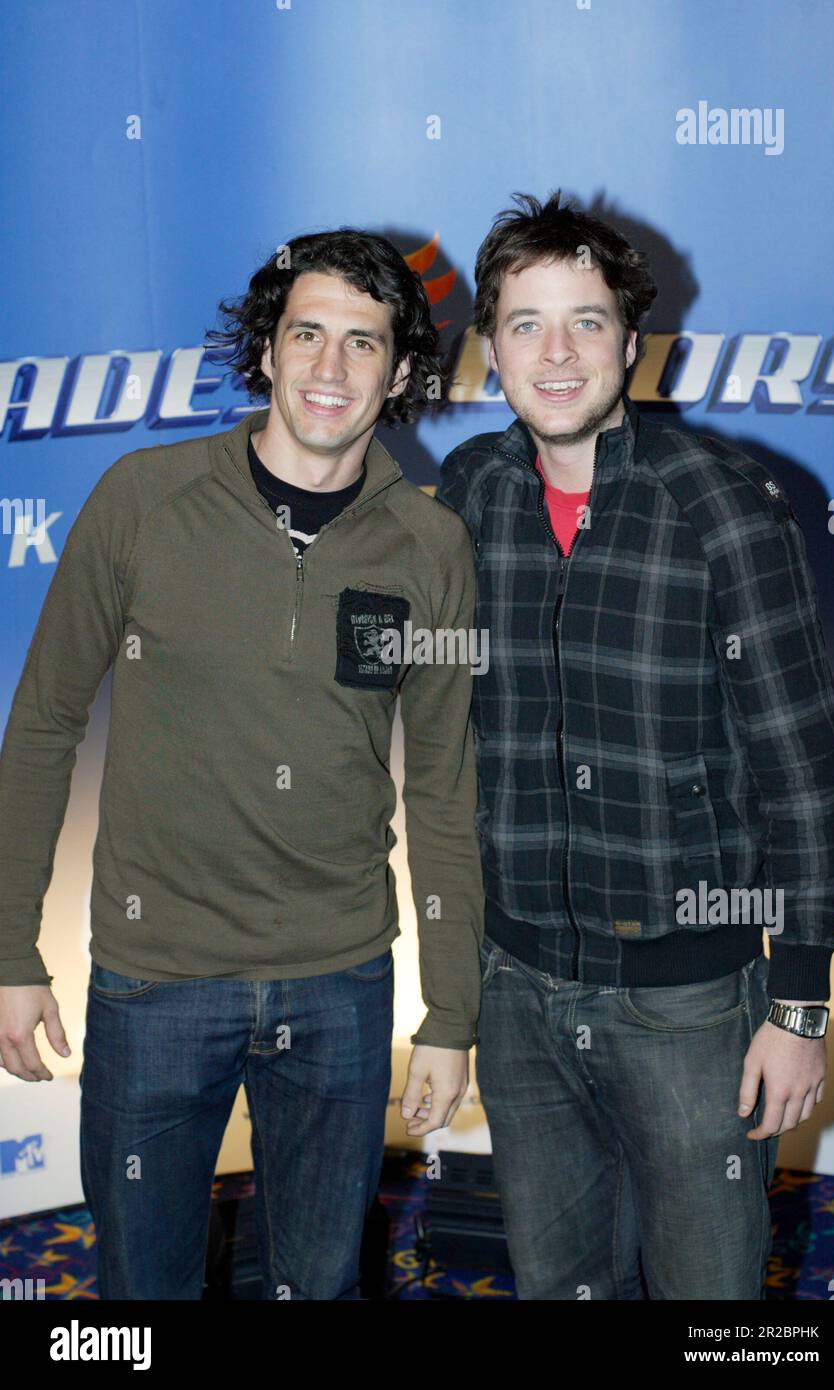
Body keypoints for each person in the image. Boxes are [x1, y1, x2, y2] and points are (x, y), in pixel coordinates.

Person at [0, 228, 484, 1299]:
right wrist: (8, 949)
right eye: (305, 333)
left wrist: (449, 1014)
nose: (328, 368)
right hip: (152, 979)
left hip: (343, 981)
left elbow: (444, 786)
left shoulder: (428, 545)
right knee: (143, 1292)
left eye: (363, 343)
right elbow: (41, 725)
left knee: (320, 1284)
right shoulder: (142, 499)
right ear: (265, 348)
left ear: (401, 370)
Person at [436, 191, 834, 1300]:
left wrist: (798, 1002)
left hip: (688, 1007)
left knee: (706, 1299)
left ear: (632, 342)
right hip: (519, 989)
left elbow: (803, 777)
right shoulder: (468, 494)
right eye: (525, 323)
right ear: (490, 350)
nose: (557, 352)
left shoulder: (722, 507)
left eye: (586, 320)